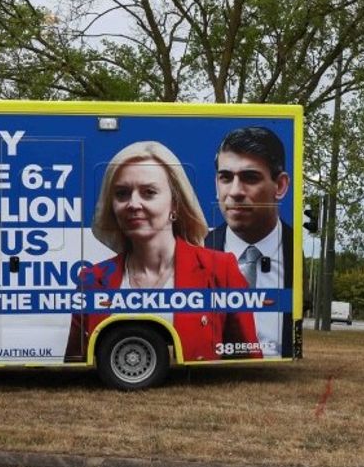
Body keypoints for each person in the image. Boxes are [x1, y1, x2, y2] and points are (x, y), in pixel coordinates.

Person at [64, 141, 260, 363]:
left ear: (174, 205)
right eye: (122, 193)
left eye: (148, 192)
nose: (133, 204)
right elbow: (75, 360)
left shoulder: (221, 268)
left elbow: (248, 355)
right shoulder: (91, 280)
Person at [205, 126, 293, 358]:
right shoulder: (196, 250)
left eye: (250, 178)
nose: (235, 191)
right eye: (225, 177)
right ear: (216, 184)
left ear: (281, 186)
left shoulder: (294, 250)